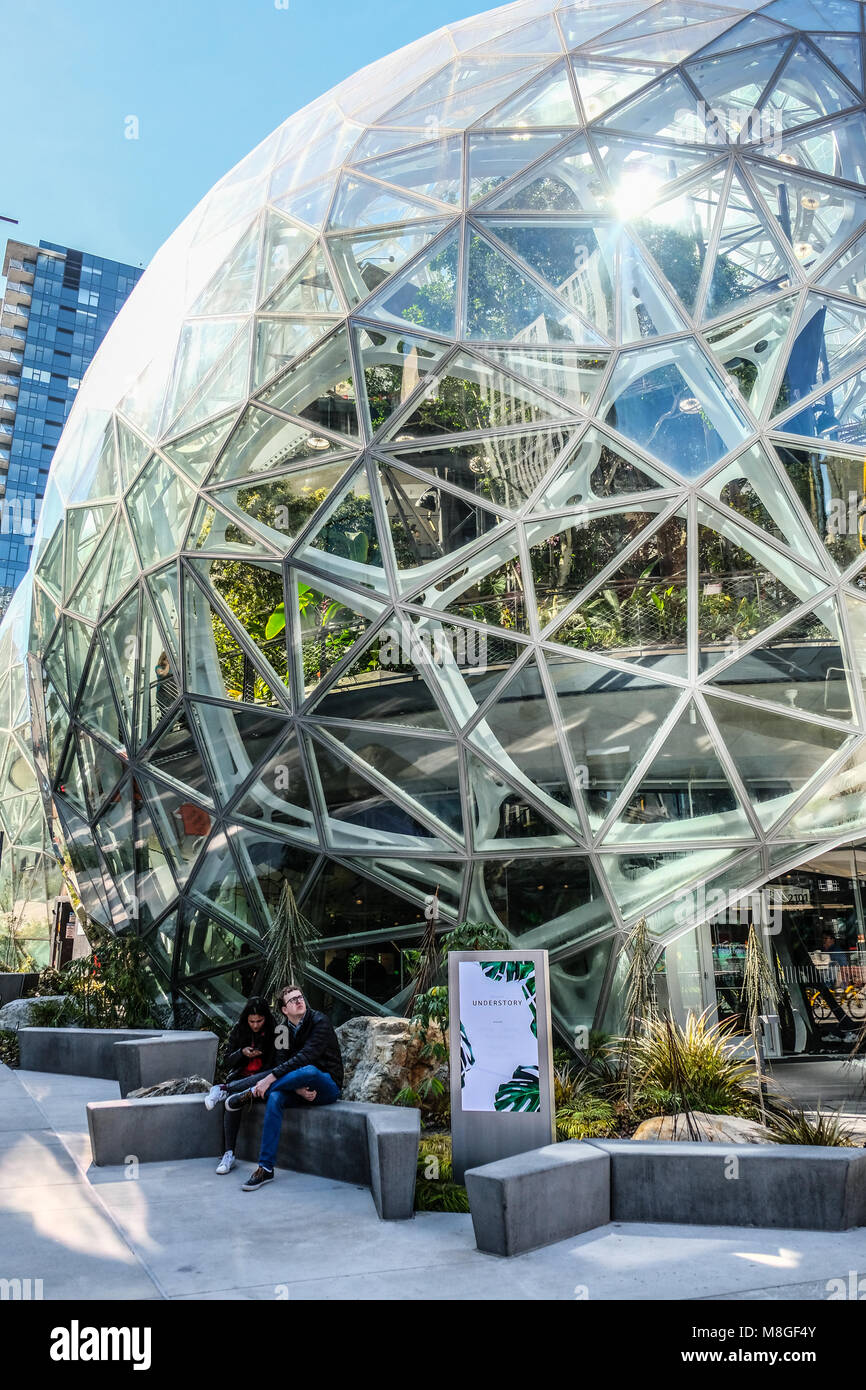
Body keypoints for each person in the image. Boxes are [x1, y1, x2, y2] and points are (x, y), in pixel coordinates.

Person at [229, 983, 344, 1192]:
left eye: (300, 997)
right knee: (275, 1098)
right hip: (298, 1088)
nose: (299, 1001)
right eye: (292, 1000)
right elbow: (281, 1062)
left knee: (308, 1069)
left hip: (326, 1085)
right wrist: (295, 1089)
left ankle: (251, 1093)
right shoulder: (282, 1031)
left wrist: (267, 1080)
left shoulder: (319, 1022)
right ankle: (265, 1168)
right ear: (284, 1010)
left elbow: (305, 1057)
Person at [204, 996, 277, 1175]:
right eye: (252, 1021)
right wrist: (242, 1053)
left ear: (266, 1018)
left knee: (269, 1074)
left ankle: (222, 1089)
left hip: (263, 1082)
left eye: (259, 1021)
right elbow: (226, 1061)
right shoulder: (239, 1028)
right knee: (232, 1102)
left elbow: (279, 1064)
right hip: (240, 1079)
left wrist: (265, 1052)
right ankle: (228, 1154)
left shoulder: (277, 1030)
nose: (255, 1025)